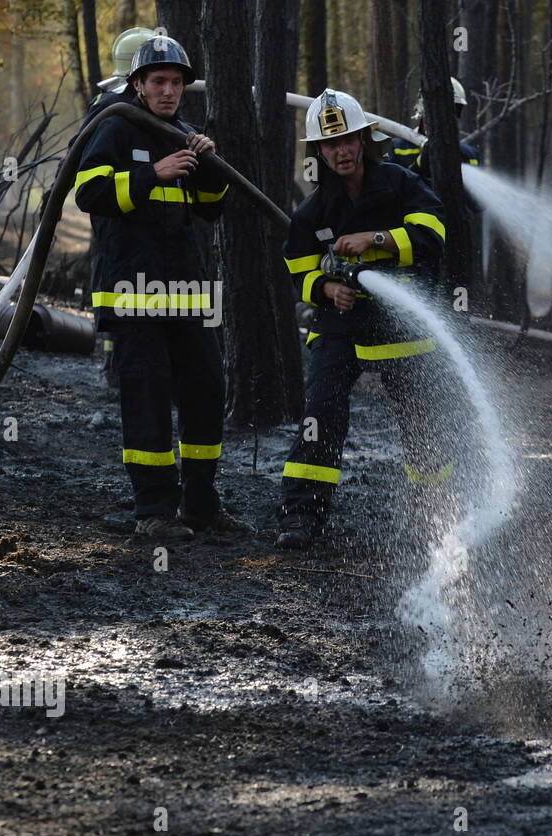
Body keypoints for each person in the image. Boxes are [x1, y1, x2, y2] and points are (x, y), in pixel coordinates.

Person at [276, 89, 475, 551]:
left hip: (400, 322)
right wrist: (326, 289)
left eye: (347, 140)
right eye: (330, 145)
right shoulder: (313, 210)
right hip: (340, 326)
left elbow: (436, 232)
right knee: (320, 414)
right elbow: (299, 270)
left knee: (421, 421)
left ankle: (437, 509)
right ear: (318, 152)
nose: (340, 151)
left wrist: (379, 238)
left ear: (364, 139)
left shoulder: (400, 183)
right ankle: (303, 515)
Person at [74, 36, 250, 541]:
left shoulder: (184, 133)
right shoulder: (112, 125)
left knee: (205, 391)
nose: (169, 90)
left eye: (177, 83)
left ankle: (201, 506)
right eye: (159, 82)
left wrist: (209, 164)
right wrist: (152, 173)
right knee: (146, 397)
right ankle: (153, 512)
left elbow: (211, 207)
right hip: (133, 294)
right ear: (138, 85)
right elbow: (89, 192)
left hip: (188, 293)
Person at [78, 26, 158, 387]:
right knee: (117, 294)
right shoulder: (113, 112)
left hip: (144, 233)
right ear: (137, 78)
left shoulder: (121, 106)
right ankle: (114, 366)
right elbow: (89, 183)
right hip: (119, 224)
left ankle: (118, 364)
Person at [385, 77, 483, 181]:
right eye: (438, 112)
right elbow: (391, 191)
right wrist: (418, 168)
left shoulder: (470, 155)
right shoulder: (396, 149)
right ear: (423, 112)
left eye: (451, 112)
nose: (444, 118)